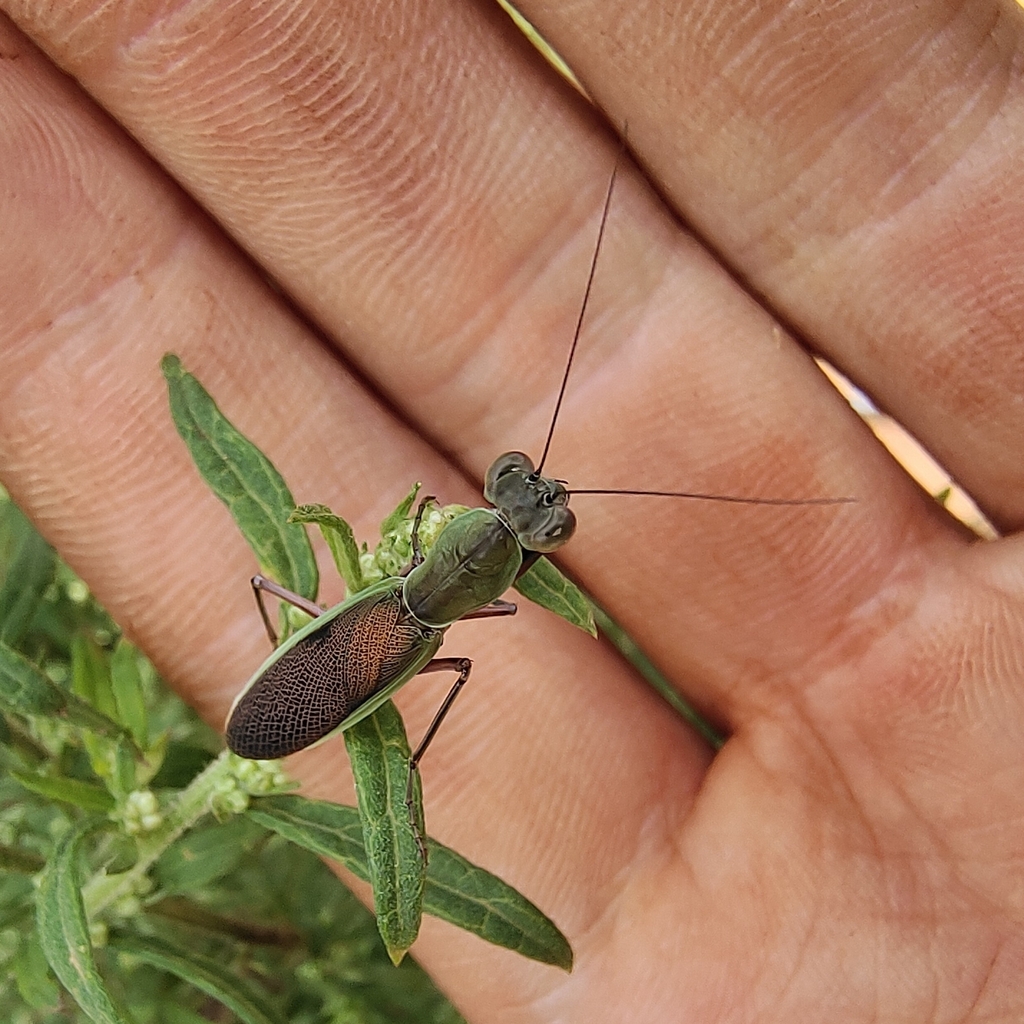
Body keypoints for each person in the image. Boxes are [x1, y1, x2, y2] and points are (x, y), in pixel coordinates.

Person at [1, 2, 1022, 1019]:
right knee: (427, 658)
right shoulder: (479, 594)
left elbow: (440, 552)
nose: (516, 514)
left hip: (368, 625)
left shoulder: (441, 554)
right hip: (392, 636)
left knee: (282, 597)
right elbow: (466, 593)